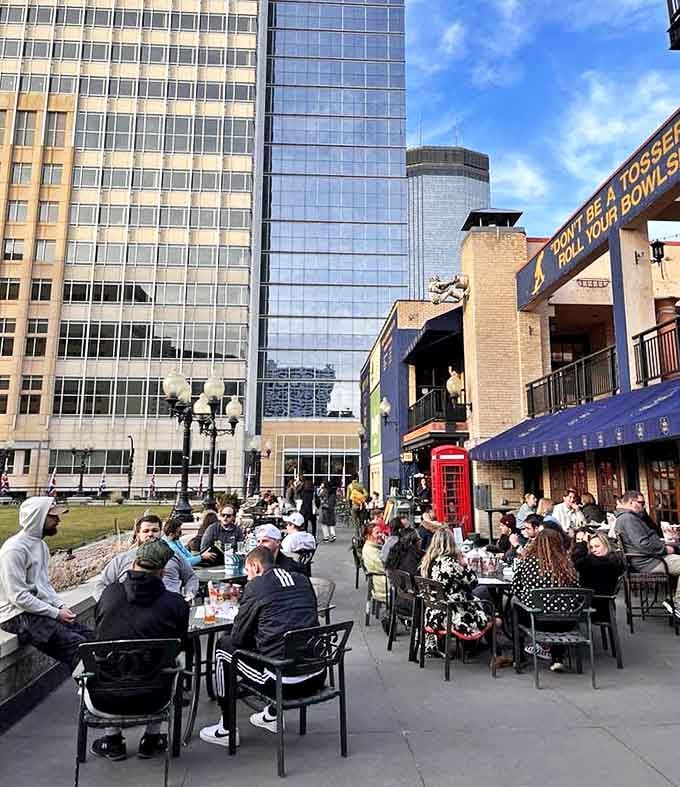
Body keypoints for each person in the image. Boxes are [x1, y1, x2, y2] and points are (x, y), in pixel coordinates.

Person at [200, 546, 325, 747]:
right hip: (317, 675)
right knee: (280, 644)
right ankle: (271, 716)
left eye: (248, 573)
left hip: (283, 683)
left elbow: (238, 638)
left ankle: (226, 728)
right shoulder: (303, 580)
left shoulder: (256, 586)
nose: (247, 578)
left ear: (255, 567)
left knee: (224, 646)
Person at [89, 540, 190, 761]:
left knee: (110, 661)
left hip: (103, 698)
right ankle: (151, 740)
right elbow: (180, 646)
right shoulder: (176, 603)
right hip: (155, 697)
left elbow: (100, 635)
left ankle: (113, 741)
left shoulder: (109, 594)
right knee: (166, 664)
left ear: (134, 563)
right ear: (163, 572)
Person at [0, 497, 92, 671]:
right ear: (37, 518)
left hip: (36, 610)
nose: (58, 520)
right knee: (78, 649)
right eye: (53, 516)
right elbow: (18, 597)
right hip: (16, 615)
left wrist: (60, 605)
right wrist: (56, 613)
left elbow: (44, 585)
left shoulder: (40, 545)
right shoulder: (14, 549)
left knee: (92, 640)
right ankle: (92, 686)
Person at [511, 528, 579, 672]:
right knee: (558, 607)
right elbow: (577, 590)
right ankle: (557, 658)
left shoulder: (527, 562)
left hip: (536, 620)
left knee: (514, 605)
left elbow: (515, 588)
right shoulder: (567, 563)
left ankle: (519, 657)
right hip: (566, 621)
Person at [419, 529, 491, 656]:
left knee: (480, 596)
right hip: (453, 613)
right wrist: (464, 564)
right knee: (486, 600)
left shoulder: (428, 561)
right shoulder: (450, 564)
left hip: (433, 612)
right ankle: (486, 649)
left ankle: (470, 646)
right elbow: (473, 582)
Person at [94, 513, 198, 599]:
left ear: (161, 533)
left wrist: (189, 595)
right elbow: (101, 584)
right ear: (138, 534)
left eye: (155, 530)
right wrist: (110, 605)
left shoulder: (174, 555)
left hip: (171, 607)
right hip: (132, 610)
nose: (150, 534)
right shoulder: (122, 559)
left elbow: (191, 577)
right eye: (146, 531)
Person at [614, 490, 680, 618]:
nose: (643, 506)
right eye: (641, 503)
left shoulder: (627, 518)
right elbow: (643, 544)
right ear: (631, 502)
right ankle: (677, 604)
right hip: (650, 562)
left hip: (649, 559)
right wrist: (665, 549)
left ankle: (671, 598)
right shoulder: (628, 519)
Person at [571, 533, 623, 619]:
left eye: (597, 546)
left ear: (606, 545)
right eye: (591, 547)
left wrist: (583, 544)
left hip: (593, 607)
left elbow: (575, 561)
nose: (594, 550)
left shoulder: (596, 562)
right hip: (605, 607)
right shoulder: (615, 560)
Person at [361, 523, 387, 604]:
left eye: (381, 532)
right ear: (368, 536)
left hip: (382, 581)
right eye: (377, 533)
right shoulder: (370, 551)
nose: (380, 535)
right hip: (383, 585)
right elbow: (385, 568)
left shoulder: (374, 546)